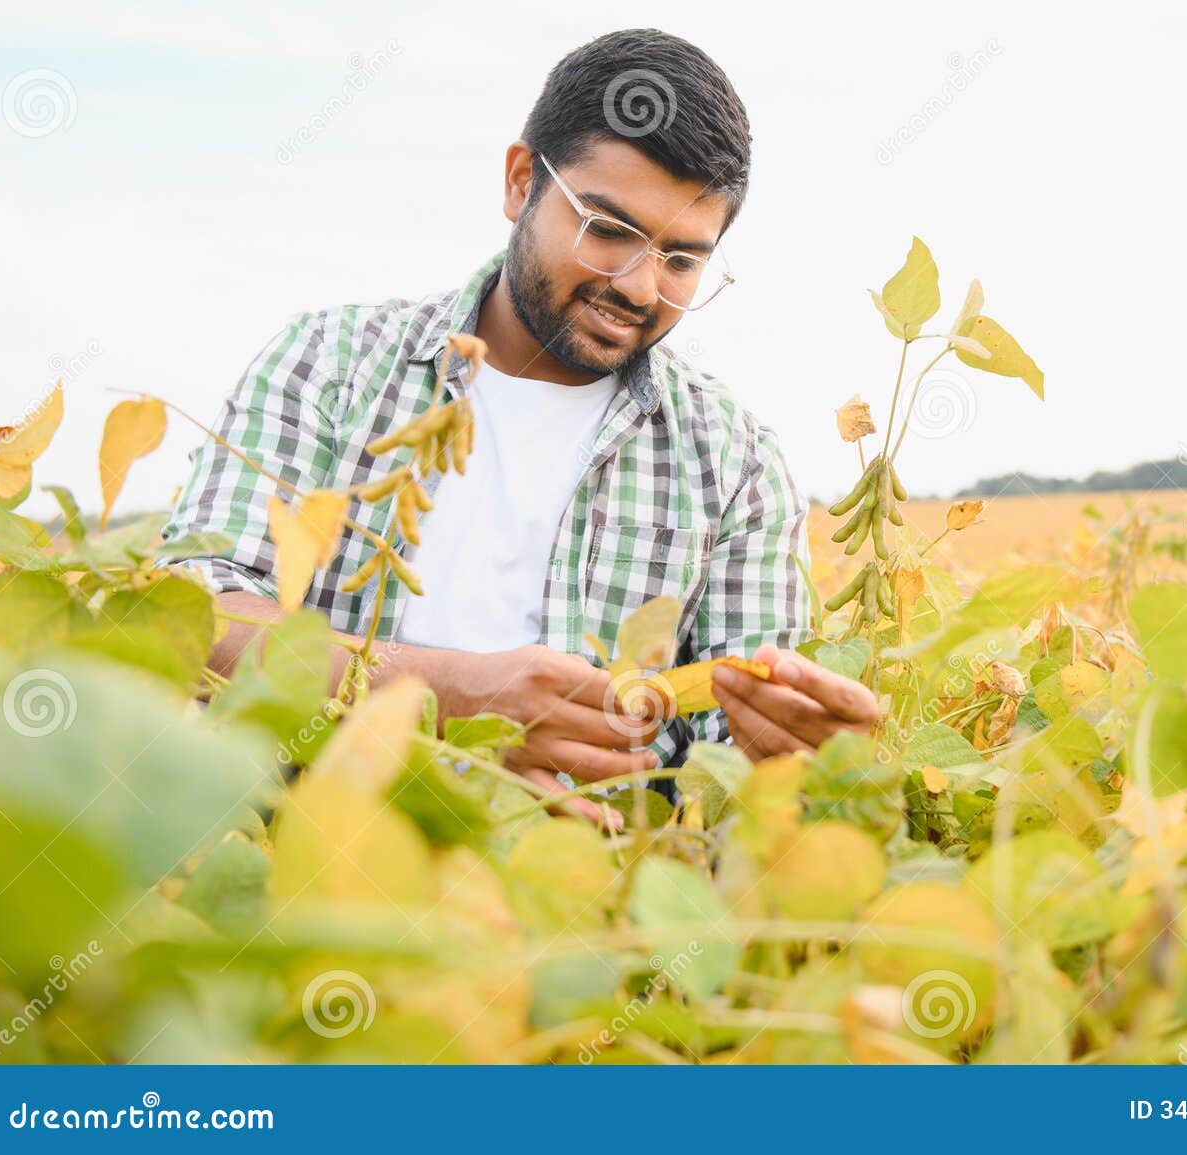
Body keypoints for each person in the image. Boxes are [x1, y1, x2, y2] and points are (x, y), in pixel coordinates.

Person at [161, 28, 879, 822]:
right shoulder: (329, 365)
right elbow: (194, 609)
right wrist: (449, 694)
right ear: (518, 183)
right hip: (301, 874)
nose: (639, 287)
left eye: (682, 260)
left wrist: (795, 749)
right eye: (608, 231)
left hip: (577, 914)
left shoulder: (734, 461)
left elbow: (724, 751)